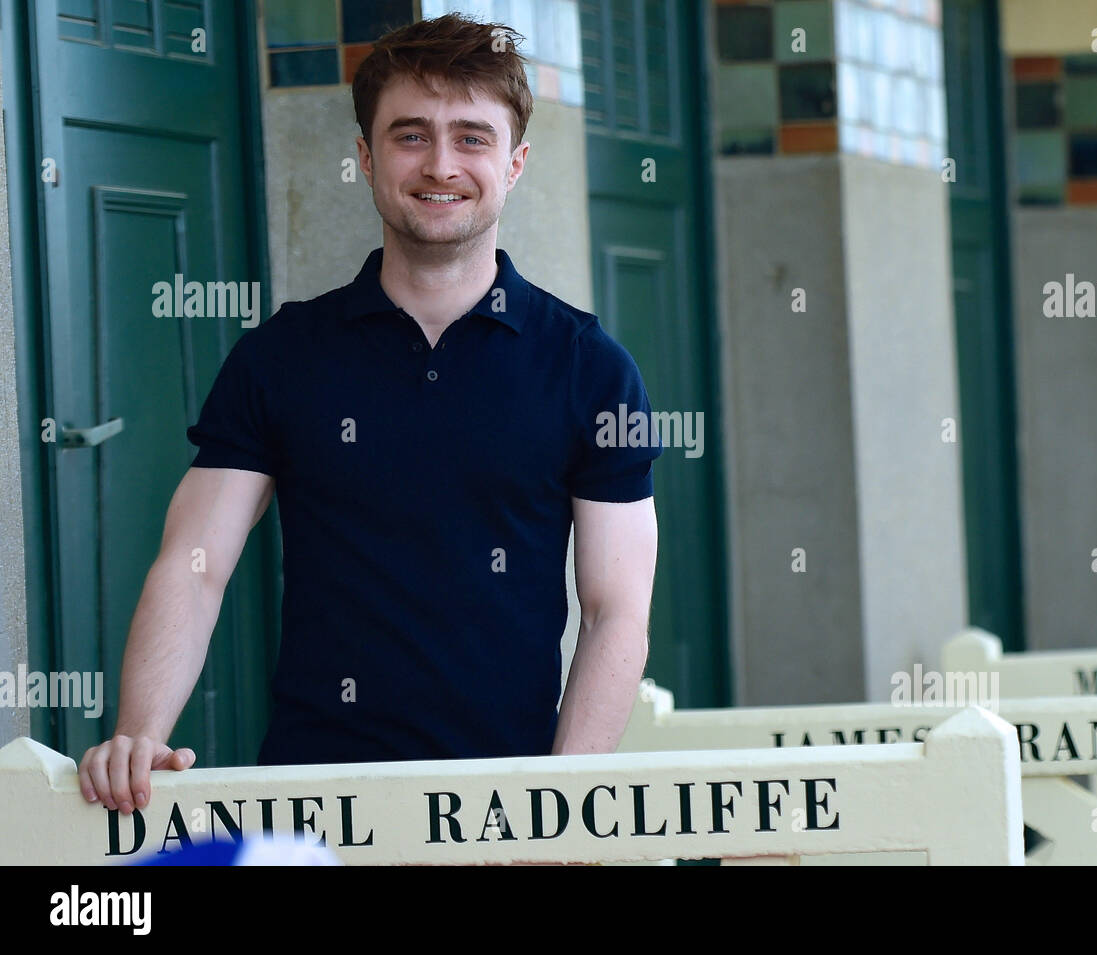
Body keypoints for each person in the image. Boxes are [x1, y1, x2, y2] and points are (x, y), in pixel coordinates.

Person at [79, 13, 661, 814]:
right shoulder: (281, 356)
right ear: (366, 157)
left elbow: (616, 612)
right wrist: (140, 733)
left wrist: (555, 810)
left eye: (472, 138)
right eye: (411, 135)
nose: (442, 164)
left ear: (516, 163)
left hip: (501, 816)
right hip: (316, 804)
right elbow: (196, 564)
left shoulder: (592, 371)